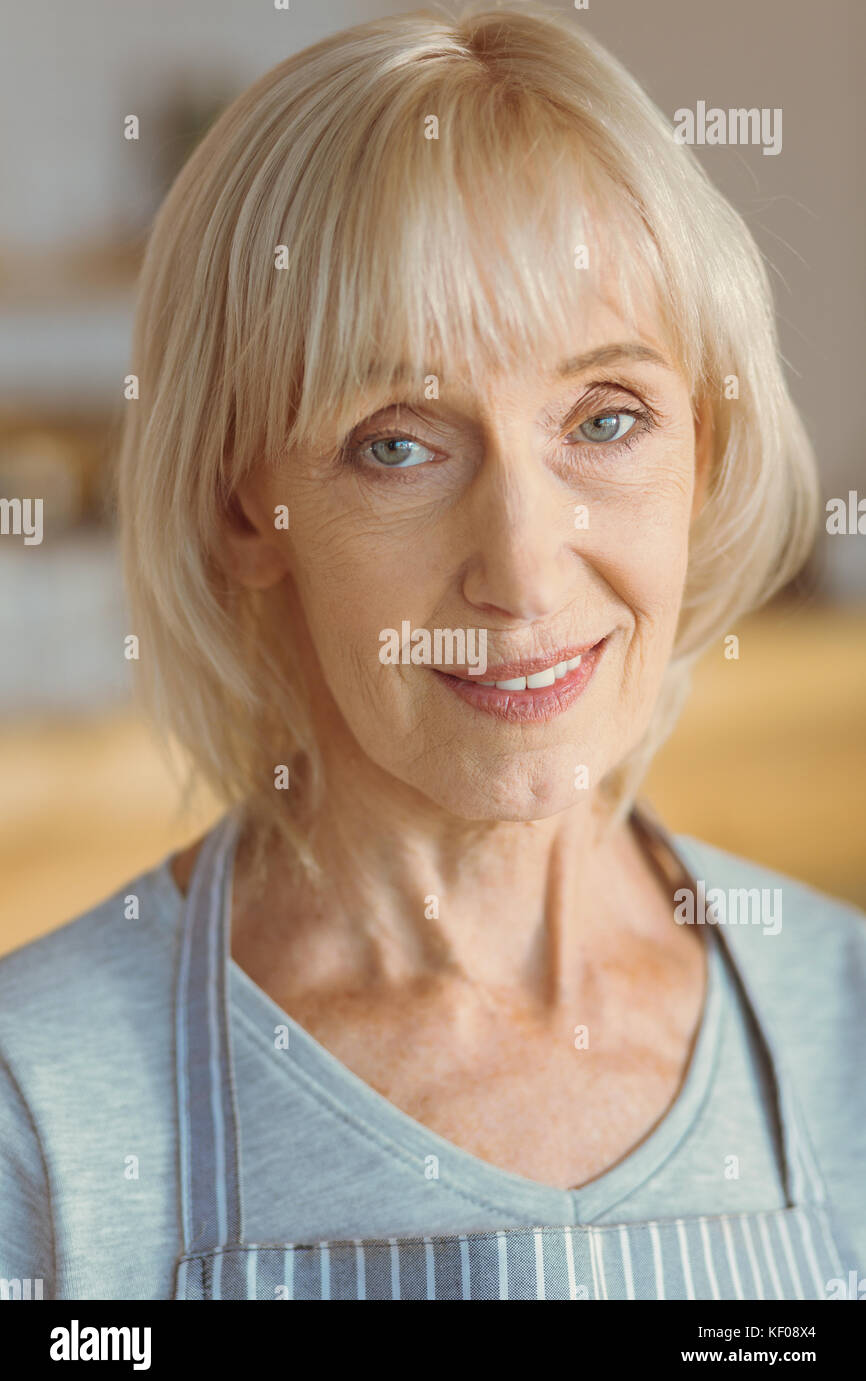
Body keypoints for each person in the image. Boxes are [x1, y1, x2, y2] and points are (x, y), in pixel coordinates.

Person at [0, 3, 863, 1301]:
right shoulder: (40, 1111)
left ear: (707, 454)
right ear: (247, 507)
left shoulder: (845, 1018)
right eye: (397, 441)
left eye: (606, 417)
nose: (520, 566)